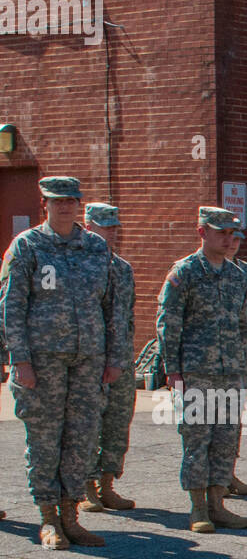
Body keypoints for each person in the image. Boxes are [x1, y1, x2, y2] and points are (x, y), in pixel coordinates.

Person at [1, 176, 124, 549]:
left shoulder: (96, 249)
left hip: (89, 361)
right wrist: (19, 360)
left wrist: (115, 357)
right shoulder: (28, 246)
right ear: (45, 205)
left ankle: (72, 516)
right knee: (44, 441)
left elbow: (113, 308)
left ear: (80, 206)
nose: (65, 207)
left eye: (72, 200)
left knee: (82, 439)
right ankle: (49, 519)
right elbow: (11, 307)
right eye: (58, 201)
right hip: (42, 363)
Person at [157, 206, 247, 533]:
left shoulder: (238, 275)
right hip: (196, 371)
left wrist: (245, 358)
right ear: (202, 232)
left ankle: (218, 504)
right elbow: (168, 323)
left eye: (232, 233)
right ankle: (198, 508)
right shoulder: (184, 273)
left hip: (231, 371)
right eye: (221, 233)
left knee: (225, 439)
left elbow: (245, 322)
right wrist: (173, 370)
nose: (228, 239)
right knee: (197, 439)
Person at [80, 202, 137, 514]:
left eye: (115, 226)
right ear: (88, 226)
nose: (112, 231)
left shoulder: (123, 269)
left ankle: (107, 483)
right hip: (90, 358)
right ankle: (86, 485)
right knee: (88, 423)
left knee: (117, 421)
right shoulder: (79, 265)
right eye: (106, 225)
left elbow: (126, 318)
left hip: (121, 358)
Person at [223, 225, 247, 497]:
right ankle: (210, 483)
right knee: (203, 427)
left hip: (237, 359)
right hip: (204, 362)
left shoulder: (246, 273)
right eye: (229, 237)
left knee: (232, 421)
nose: (233, 243)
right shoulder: (192, 270)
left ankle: (227, 473)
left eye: (237, 238)